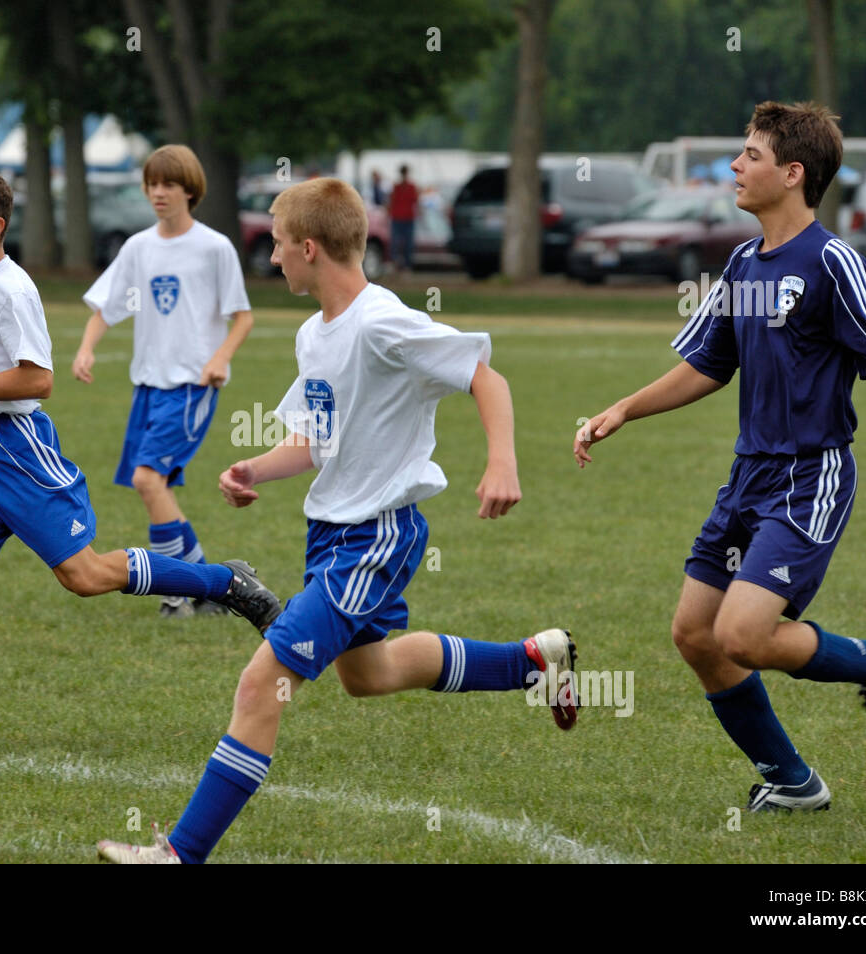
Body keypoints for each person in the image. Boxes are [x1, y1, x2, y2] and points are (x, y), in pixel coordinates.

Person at [96, 177, 577, 864]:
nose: (273, 259)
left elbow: (485, 376)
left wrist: (503, 461)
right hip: (330, 536)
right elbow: (316, 442)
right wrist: (255, 470)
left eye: (280, 246)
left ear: (311, 248)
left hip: (375, 537)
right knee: (369, 674)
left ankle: (180, 854)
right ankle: (534, 662)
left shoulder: (383, 322)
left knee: (262, 682)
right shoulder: (313, 335)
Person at [574, 102, 866, 811]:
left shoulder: (834, 262)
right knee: (696, 635)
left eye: (751, 156)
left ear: (793, 173)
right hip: (749, 475)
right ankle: (793, 781)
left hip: (810, 476)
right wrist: (623, 408)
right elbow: (709, 364)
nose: (735, 167)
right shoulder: (741, 263)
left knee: (742, 634)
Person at [0, 171, 281, 751]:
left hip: (16, 450)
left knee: (83, 575)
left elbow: (39, 379)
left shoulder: (12, 289)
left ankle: (224, 582)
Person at [74, 145, 254, 618]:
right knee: (154, 486)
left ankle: (177, 594)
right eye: (152, 183)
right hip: (148, 387)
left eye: (168, 184)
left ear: (190, 190)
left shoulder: (214, 247)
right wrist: (86, 346)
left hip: (193, 386)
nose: (158, 192)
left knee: (147, 479)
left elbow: (242, 317)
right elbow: (107, 307)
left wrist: (220, 359)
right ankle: (220, 588)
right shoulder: (138, 247)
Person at [388, 164, 418, 272]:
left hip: (406, 218)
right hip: (399, 218)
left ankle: (405, 264)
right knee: (397, 243)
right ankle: (399, 264)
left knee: (407, 244)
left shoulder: (408, 187)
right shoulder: (399, 187)